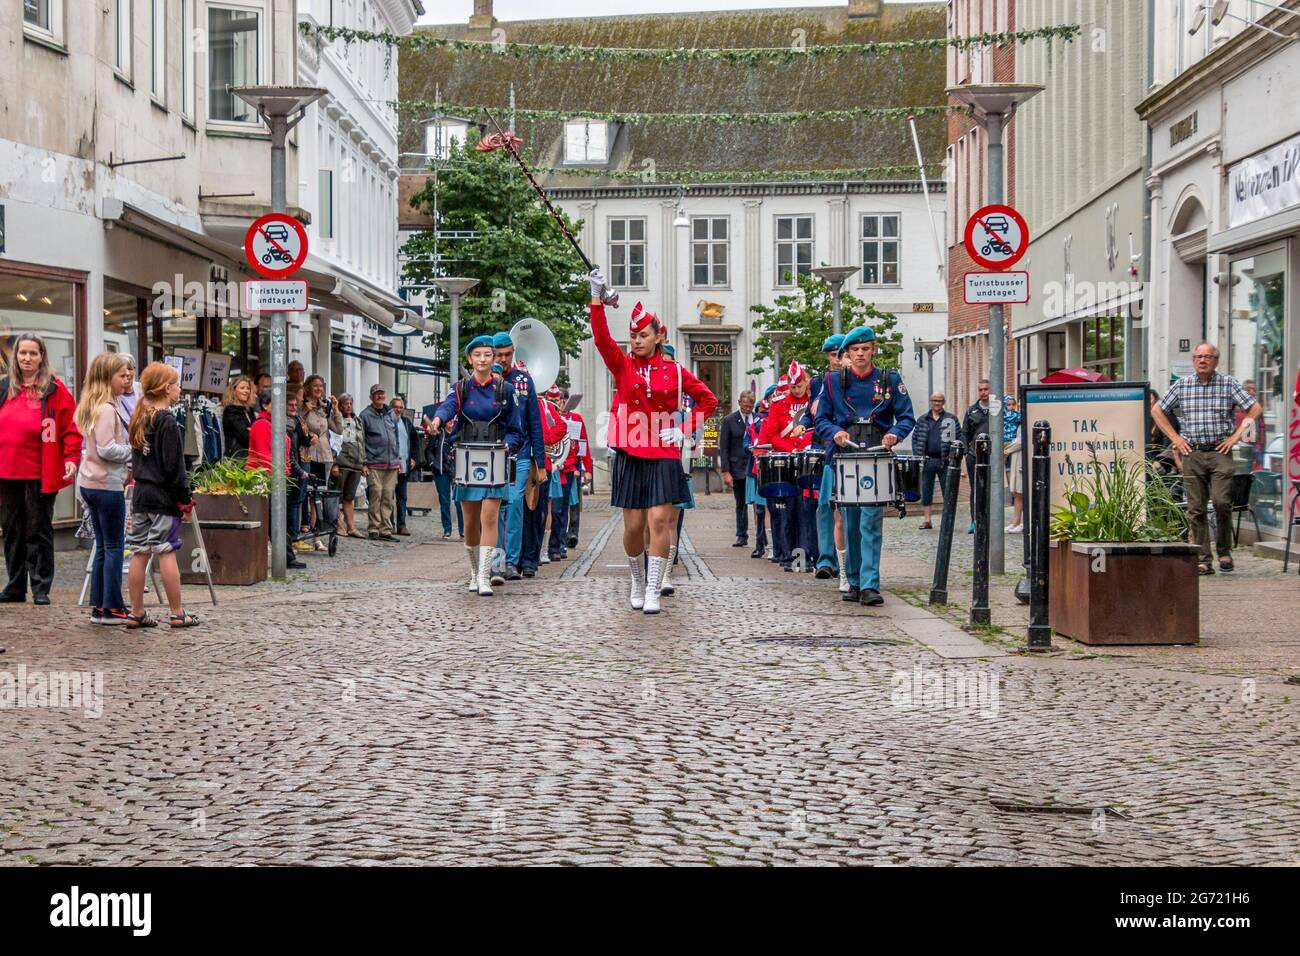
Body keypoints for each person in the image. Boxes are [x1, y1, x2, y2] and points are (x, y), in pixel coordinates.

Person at [587, 270, 716, 614]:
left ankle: (655, 588)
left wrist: (686, 428)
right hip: (630, 449)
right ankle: (637, 579)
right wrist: (595, 298)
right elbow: (601, 340)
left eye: (643, 335)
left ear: (659, 337)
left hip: (664, 451)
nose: (636, 341)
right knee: (633, 527)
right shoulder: (623, 365)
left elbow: (708, 400)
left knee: (660, 521)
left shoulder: (674, 371)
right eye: (633, 336)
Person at [814, 324, 915, 607]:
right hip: (845, 455)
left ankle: (870, 583)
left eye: (865, 349)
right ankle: (855, 580)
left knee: (871, 520)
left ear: (873, 350)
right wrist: (835, 432)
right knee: (851, 521)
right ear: (847, 352)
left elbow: (907, 417)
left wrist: (895, 434)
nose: (860, 354)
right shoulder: (833, 382)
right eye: (855, 350)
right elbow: (820, 419)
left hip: (876, 454)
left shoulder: (889, 379)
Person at [425, 336, 525, 596]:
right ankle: (473, 571)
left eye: (487, 355)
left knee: (489, 516)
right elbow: (447, 408)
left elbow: (516, 429)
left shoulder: (505, 390)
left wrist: (508, 445)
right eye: (477, 355)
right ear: (470, 359)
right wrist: (436, 422)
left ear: (493, 359)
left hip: (495, 456)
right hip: (466, 455)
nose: (482, 360)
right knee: (469, 522)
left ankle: (484, 576)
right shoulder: (461, 389)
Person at [1151, 341, 1261, 575]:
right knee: (1196, 508)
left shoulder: (1228, 383)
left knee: (1222, 502)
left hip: (1220, 451)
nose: (1202, 360)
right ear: (1193, 361)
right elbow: (1157, 410)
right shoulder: (1182, 385)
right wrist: (1175, 439)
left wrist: (1236, 436)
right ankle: (1203, 559)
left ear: (1216, 361)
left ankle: (1224, 551)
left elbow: (1255, 408)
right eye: (1198, 357)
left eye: (1208, 357)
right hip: (1192, 452)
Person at [0, 334, 82, 605]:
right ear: (16, 356)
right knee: (11, 530)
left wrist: (71, 458)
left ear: (41, 357)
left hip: (40, 472)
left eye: (33, 353)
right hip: (7, 472)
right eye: (23, 353)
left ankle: (41, 587)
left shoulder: (54, 390)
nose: (27, 358)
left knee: (38, 529)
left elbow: (71, 429)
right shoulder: (3, 388)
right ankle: (14, 586)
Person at [123, 362, 199, 628]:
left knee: (140, 552)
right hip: (163, 496)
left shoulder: (140, 415)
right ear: (167, 388)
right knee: (166, 552)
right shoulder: (166, 420)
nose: (179, 388)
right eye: (177, 383)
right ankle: (177, 612)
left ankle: (137, 612)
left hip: (141, 494)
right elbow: (173, 466)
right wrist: (185, 499)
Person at [76, 353, 135, 624]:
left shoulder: (93, 404)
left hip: (91, 483)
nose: (126, 379)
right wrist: (132, 450)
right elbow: (106, 448)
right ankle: (112, 606)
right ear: (107, 377)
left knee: (102, 546)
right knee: (113, 546)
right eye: (121, 375)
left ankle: (99, 605)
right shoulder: (107, 408)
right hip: (106, 484)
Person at [491, 332, 546, 580]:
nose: (503, 359)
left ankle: (512, 561)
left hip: (520, 453)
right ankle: (495, 559)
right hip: (491, 453)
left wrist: (541, 462)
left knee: (513, 505)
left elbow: (535, 422)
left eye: (507, 355)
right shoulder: (484, 381)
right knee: (495, 508)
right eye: (499, 355)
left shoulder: (524, 381)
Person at [759, 361, 815, 572]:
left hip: (808, 462)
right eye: (793, 387)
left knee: (807, 510)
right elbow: (772, 434)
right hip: (789, 462)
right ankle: (792, 556)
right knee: (790, 511)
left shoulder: (813, 402)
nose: (796, 390)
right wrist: (790, 448)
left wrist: (806, 446)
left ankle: (809, 554)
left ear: (806, 382)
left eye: (799, 386)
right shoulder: (779, 403)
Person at [246, 387, 308, 571]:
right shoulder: (263, 425)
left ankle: (285, 556)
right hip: (267, 479)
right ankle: (285, 557)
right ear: (266, 405)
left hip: (277, 478)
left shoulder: (273, 424)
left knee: (276, 520)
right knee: (275, 520)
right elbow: (266, 457)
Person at [807, 335, 846, 584]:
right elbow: (812, 413)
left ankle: (844, 560)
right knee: (824, 505)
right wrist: (802, 423)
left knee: (843, 510)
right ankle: (825, 559)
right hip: (824, 448)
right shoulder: (819, 381)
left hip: (845, 448)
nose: (835, 359)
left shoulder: (847, 381)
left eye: (838, 354)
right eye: (831, 355)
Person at [300, 375, 343, 547]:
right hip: (308, 454)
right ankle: (302, 531)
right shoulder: (302, 405)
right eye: (315, 386)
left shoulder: (325, 407)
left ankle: (316, 536)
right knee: (305, 494)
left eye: (321, 386)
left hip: (324, 455)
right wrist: (306, 409)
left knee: (317, 495)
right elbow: (297, 423)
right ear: (308, 387)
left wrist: (337, 410)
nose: (319, 389)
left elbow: (338, 429)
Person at [911, 391, 960, 530]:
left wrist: (953, 457)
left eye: (939, 401)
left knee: (948, 491)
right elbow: (915, 438)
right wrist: (918, 454)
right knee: (926, 491)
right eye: (934, 400)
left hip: (945, 461)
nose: (937, 403)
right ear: (930, 402)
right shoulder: (922, 420)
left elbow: (958, 437)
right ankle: (927, 520)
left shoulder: (950, 419)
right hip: (927, 460)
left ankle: (947, 521)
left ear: (943, 402)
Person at [359, 384, 400, 541]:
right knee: (375, 495)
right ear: (371, 397)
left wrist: (398, 458)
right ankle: (374, 528)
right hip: (374, 462)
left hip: (391, 463)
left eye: (382, 393)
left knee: (388, 497)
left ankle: (386, 529)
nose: (380, 396)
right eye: (377, 394)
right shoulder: (365, 415)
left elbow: (395, 437)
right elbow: (361, 439)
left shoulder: (390, 414)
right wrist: (363, 462)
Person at [718, 389, 756, 547]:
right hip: (737, 468)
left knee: (758, 504)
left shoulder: (757, 419)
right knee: (740, 503)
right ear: (739, 402)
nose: (747, 409)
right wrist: (726, 471)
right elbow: (724, 447)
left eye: (750, 406)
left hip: (754, 467)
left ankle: (762, 536)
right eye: (745, 405)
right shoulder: (729, 420)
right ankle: (742, 534)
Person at [745, 385, 776, 559]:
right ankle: (761, 544)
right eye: (772, 396)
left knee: (774, 509)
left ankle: (773, 545)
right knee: (759, 509)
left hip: (775, 467)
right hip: (758, 467)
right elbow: (747, 440)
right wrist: (751, 448)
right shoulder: (758, 420)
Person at [424, 409, 463, 540]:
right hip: (441, 471)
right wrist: (433, 464)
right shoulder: (438, 435)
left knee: (459, 501)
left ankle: (463, 531)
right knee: (444, 501)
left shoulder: (460, 435)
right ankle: (447, 530)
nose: (451, 421)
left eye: (454, 419)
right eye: (449, 419)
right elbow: (428, 451)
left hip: (458, 472)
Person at [332, 394, 366, 538]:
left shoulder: (357, 420)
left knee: (349, 497)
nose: (348, 406)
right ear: (340, 405)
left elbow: (362, 442)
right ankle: (338, 525)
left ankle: (351, 526)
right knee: (337, 496)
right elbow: (333, 441)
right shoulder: (336, 420)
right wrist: (335, 463)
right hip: (343, 463)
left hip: (356, 464)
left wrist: (364, 462)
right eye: (345, 403)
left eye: (350, 403)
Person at [961, 379, 991, 532]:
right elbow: (964, 433)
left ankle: (990, 519)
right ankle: (974, 520)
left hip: (992, 456)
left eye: (986, 389)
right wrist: (966, 452)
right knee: (975, 488)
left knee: (991, 487)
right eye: (980, 389)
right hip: (974, 455)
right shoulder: (972, 410)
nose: (983, 392)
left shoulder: (997, 409)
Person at [390, 395, 419, 536]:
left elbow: (415, 440)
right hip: (389, 466)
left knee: (402, 497)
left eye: (401, 407)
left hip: (404, 465)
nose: (399, 410)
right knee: (388, 496)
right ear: (391, 408)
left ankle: (402, 525)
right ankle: (389, 525)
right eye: (396, 407)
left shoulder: (406, 422)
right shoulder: (387, 421)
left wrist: (414, 458)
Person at [221, 375, 257, 459]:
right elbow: (245, 435)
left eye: (248, 388)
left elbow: (257, 432)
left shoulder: (249, 410)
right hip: (237, 458)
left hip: (252, 456)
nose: (246, 391)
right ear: (233, 390)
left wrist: (252, 430)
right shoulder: (230, 410)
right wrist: (253, 430)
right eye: (242, 388)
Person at [1002, 395, 1024, 533]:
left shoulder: (1022, 419)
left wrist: (1006, 450)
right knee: (1016, 492)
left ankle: (1021, 523)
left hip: (1019, 459)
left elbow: (1021, 440)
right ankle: (1015, 522)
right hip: (1013, 457)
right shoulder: (1016, 420)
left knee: (1020, 492)